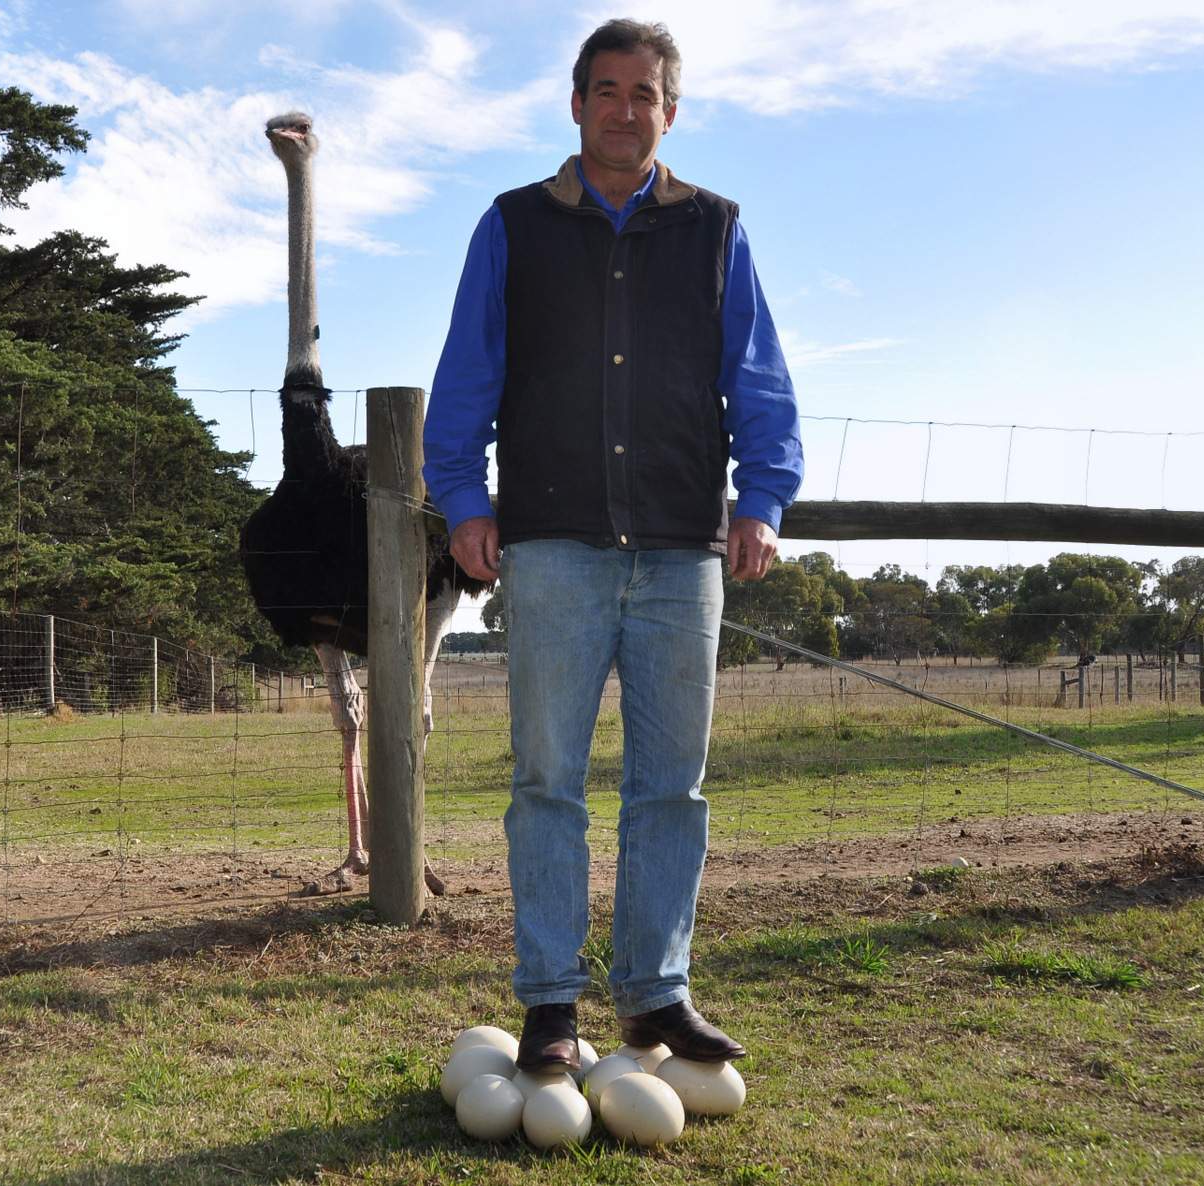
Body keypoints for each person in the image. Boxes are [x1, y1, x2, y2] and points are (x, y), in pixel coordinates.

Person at [422, 18, 803, 1072]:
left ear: (669, 111)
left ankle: (653, 997)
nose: (625, 108)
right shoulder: (509, 226)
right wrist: (462, 502)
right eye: (606, 89)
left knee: (669, 786)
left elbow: (760, 383)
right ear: (576, 103)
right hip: (550, 551)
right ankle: (550, 1003)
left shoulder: (717, 230)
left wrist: (761, 498)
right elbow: (464, 384)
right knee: (546, 778)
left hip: (684, 551)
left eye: (645, 93)